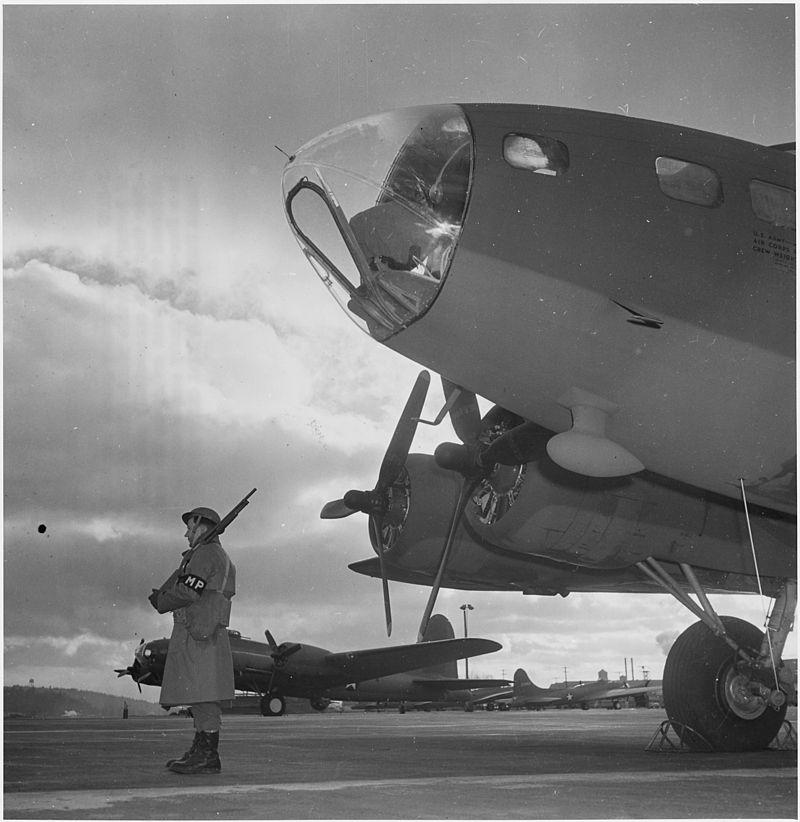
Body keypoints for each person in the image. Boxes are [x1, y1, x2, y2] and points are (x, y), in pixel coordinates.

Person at [148, 506, 236, 775]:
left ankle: (207, 755)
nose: (187, 534)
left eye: (190, 528)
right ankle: (202, 750)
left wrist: (162, 601)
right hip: (205, 631)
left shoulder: (206, 554)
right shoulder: (218, 556)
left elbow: (188, 590)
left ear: (203, 527)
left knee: (204, 693)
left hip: (198, 633)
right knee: (200, 693)